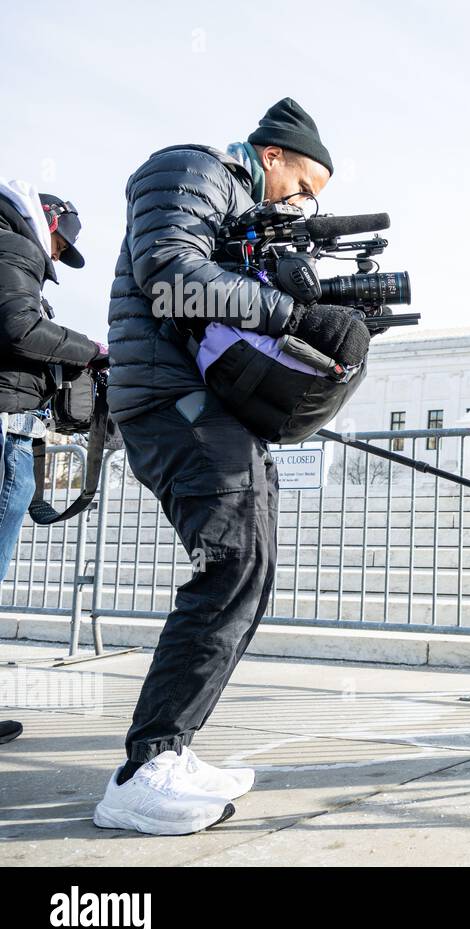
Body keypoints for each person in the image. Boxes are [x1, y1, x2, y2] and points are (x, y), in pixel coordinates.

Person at [94, 98, 341, 835]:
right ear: (272, 158)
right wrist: (287, 312)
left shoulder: (243, 216)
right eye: (305, 186)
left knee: (251, 568)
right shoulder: (190, 168)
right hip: (173, 404)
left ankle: (172, 747)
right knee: (230, 565)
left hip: (211, 405)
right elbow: (169, 275)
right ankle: (144, 771)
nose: (306, 204)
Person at [1, 183, 105, 751]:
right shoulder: (14, 250)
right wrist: (88, 348)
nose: (60, 257)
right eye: (61, 246)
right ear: (45, 224)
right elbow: (19, 329)